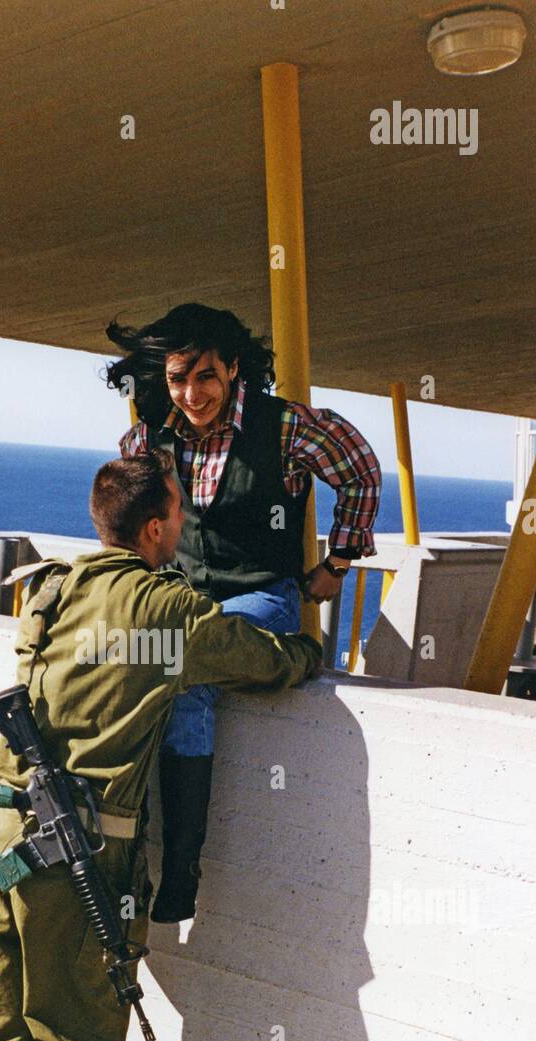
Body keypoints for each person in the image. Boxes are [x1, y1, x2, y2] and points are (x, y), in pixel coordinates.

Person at [0, 449, 322, 1041]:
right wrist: (306, 652)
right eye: (178, 520)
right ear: (157, 527)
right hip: (83, 851)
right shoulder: (167, 612)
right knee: (82, 1035)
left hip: (1, 837)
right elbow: (263, 663)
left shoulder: (49, 590)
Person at [106, 302, 382, 922]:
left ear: (232, 369)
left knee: (188, 674)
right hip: (186, 601)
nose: (192, 393)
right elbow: (129, 514)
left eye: (204, 376)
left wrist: (336, 565)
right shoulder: (153, 436)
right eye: (178, 379)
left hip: (262, 595)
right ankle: (124, 852)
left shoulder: (284, 426)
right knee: (132, 669)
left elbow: (360, 469)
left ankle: (180, 868)